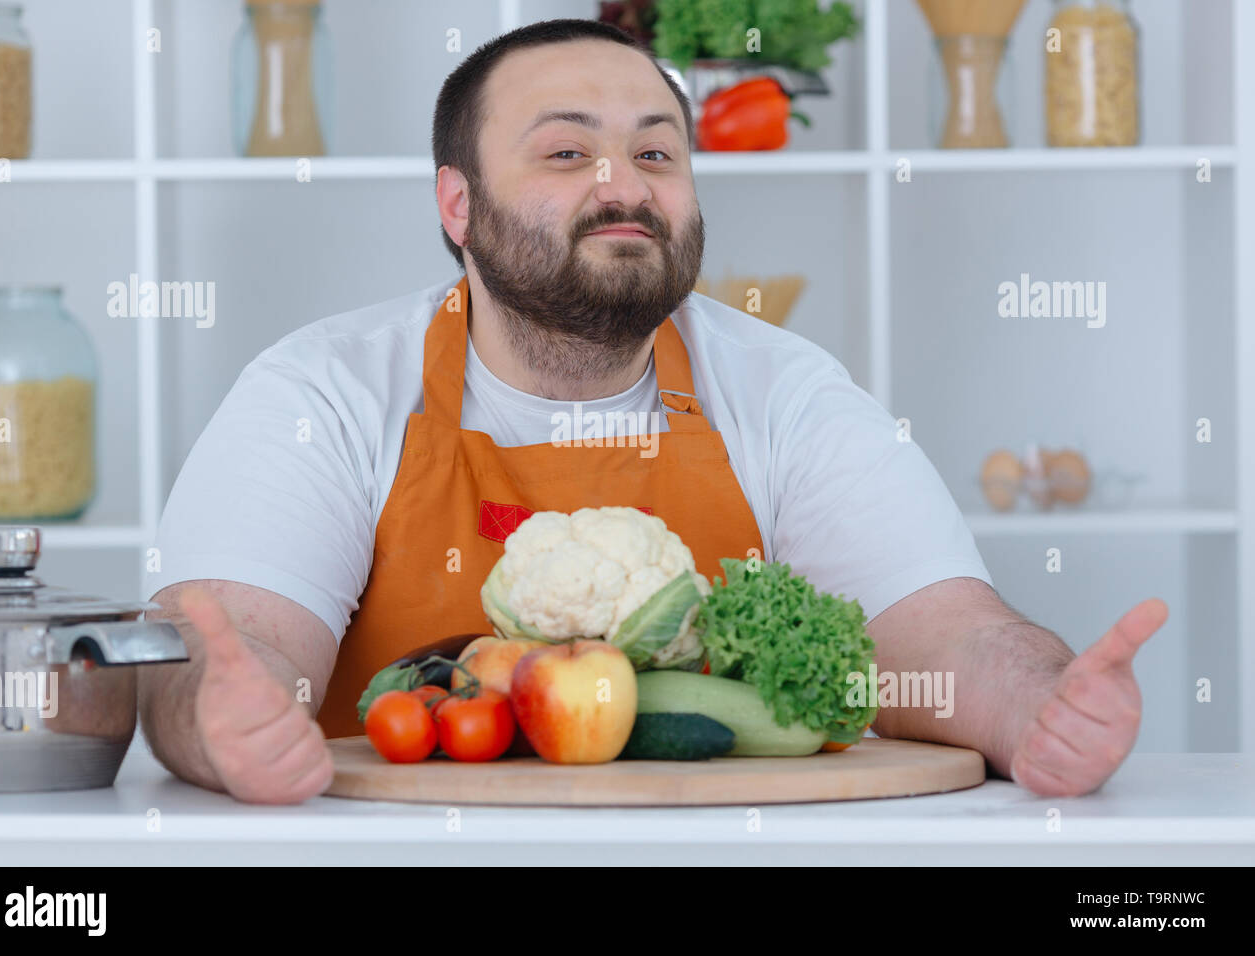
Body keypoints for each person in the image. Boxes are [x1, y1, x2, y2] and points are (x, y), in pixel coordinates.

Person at [137, 18, 1166, 805]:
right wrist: (222, 716)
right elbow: (232, 640)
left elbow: (943, 635)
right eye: (565, 153)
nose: (621, 184)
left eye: (657, 153)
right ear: (456, 205)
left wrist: (1040, 700)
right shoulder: (324, 392)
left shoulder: (783, 390)